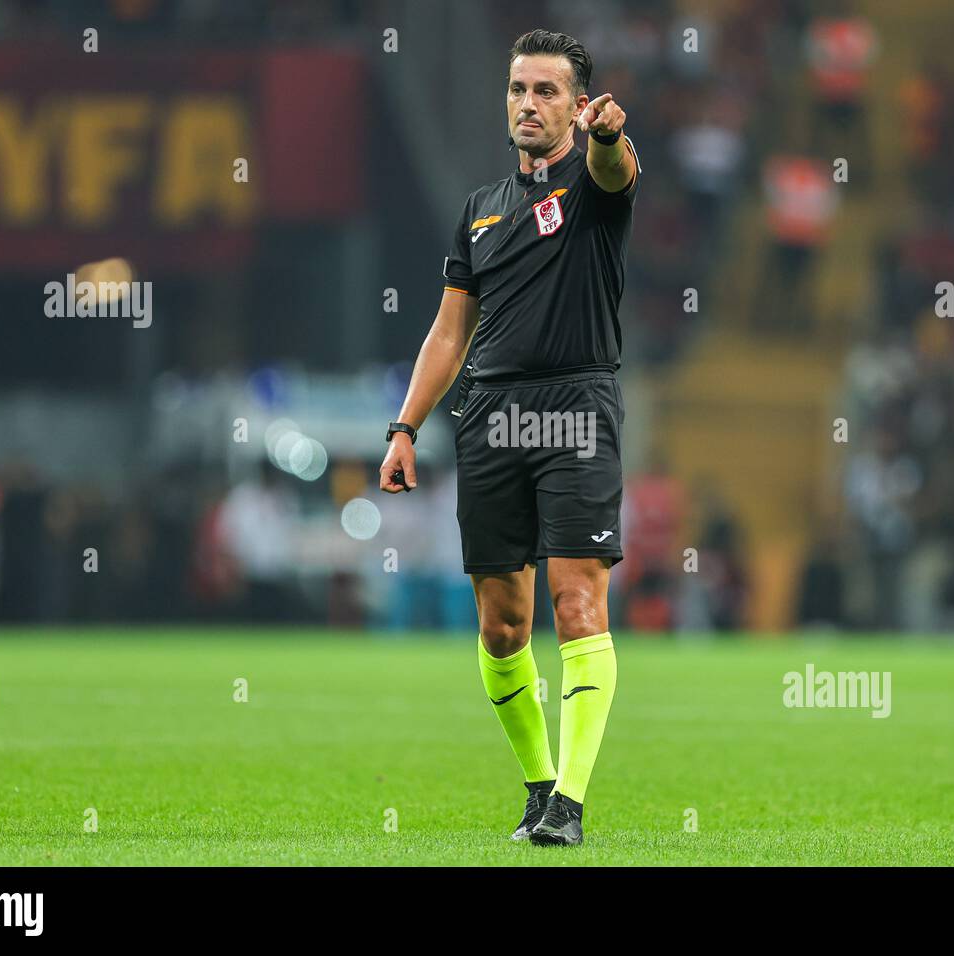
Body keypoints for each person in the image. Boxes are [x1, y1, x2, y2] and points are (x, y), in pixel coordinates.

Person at [379, 29, 640, 847]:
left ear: (578, 104)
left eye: (547, 92)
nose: (528, 104)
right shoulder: (481, 208)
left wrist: (609, 139)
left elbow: (615, 170)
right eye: (518, 90)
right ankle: (537, 786)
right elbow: (448, 335)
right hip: (488, 417)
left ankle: (571, 802)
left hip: (575, 408)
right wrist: (405, 427)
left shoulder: (600, 180)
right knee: (501, 623)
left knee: (576, 599)